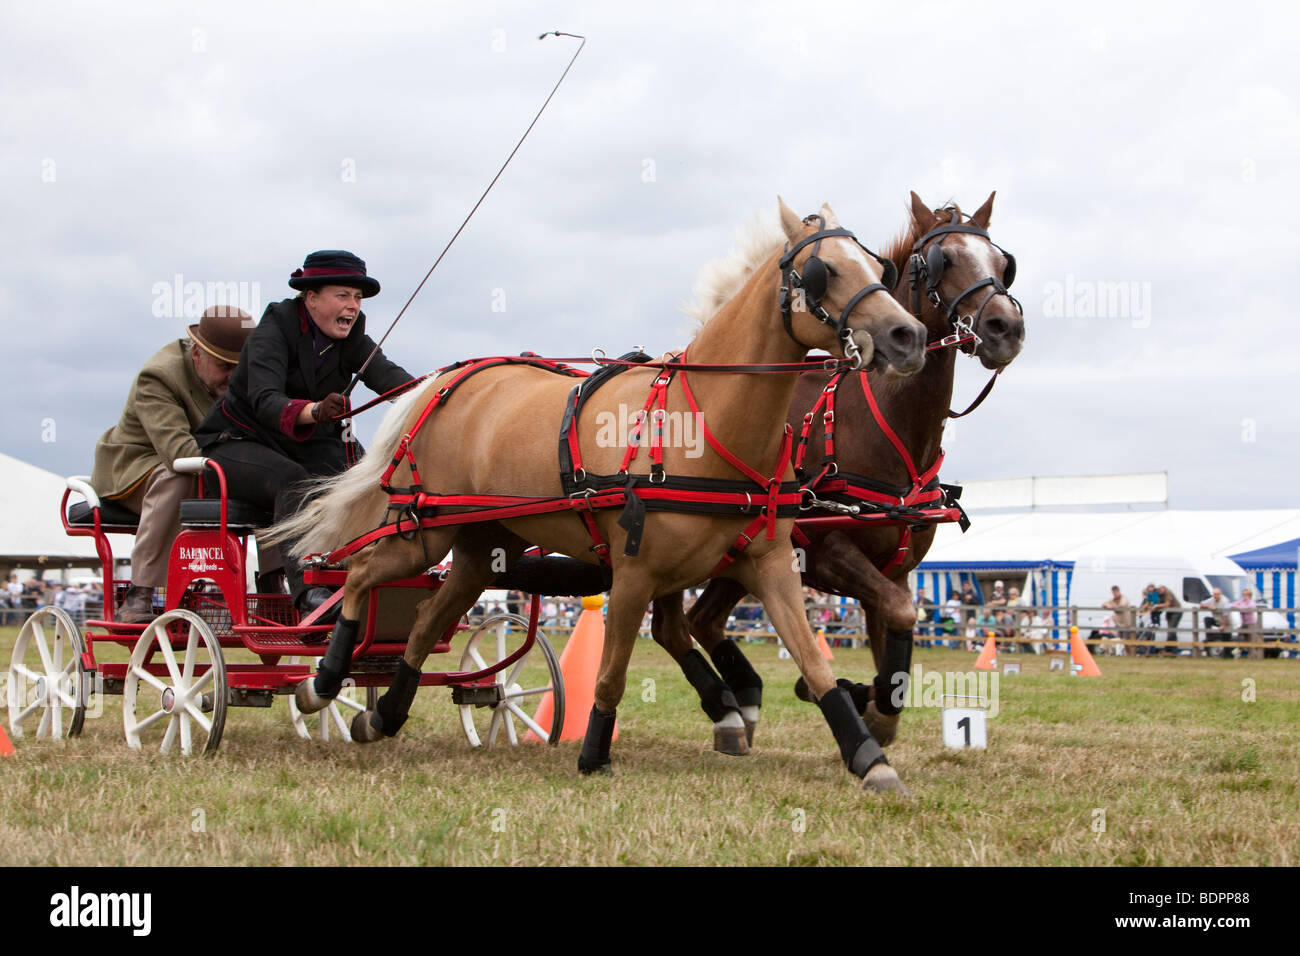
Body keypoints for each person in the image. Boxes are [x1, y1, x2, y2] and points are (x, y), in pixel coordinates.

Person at [195, 251, 414, 618]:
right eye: (342, 295)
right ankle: (309, 594)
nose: (353, 306)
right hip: (238, 443)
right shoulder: (273, 329)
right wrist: (314, 410)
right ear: (310, 298)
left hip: (304, 445)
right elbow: (265, 400)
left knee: (372, 479)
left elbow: (394, 381)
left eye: (357, 298)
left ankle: (371, 578)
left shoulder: (353, 339)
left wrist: (446, 391)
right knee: (294, 481)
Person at [90, 307, 254, 623]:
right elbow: (178, 452)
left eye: (239, 367)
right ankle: (140, 593)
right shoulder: (159, 376)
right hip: (136, 466)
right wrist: (241, 466)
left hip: (208, 465)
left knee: (275, 477)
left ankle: (274, 584)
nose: (234, 376)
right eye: (224, 366)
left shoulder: (243, 380)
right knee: (178, 477)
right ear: (197, 355)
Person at [1200, 586, 1232, 657]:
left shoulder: (1225, 601)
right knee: (1207, 619)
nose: (1216, 596)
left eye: (1217, 594)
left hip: (1226, 622)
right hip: (1217, 620)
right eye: (1214, 594)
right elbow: (1201, 604)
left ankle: (1228, 656)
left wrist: (1223, 625)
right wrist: (1208, 606)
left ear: (1220, 594)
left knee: (1226, 639)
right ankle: (1208, 636)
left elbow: (1226, 614)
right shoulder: (1212, 599)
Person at [1230, 588, 1260, 660]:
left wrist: (1241, 607)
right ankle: (1240, 650)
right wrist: (1241, 607)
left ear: (1249, 595)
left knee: (1252, 640)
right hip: (1243, 623)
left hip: (1251, 624)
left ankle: (1253, 656)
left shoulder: (1251, 602)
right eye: (1243, 594)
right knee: (1240, 637)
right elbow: (1232, 605)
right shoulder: (1241, 602)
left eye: (1246, 594)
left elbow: (1251, 607)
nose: (1244, 596)